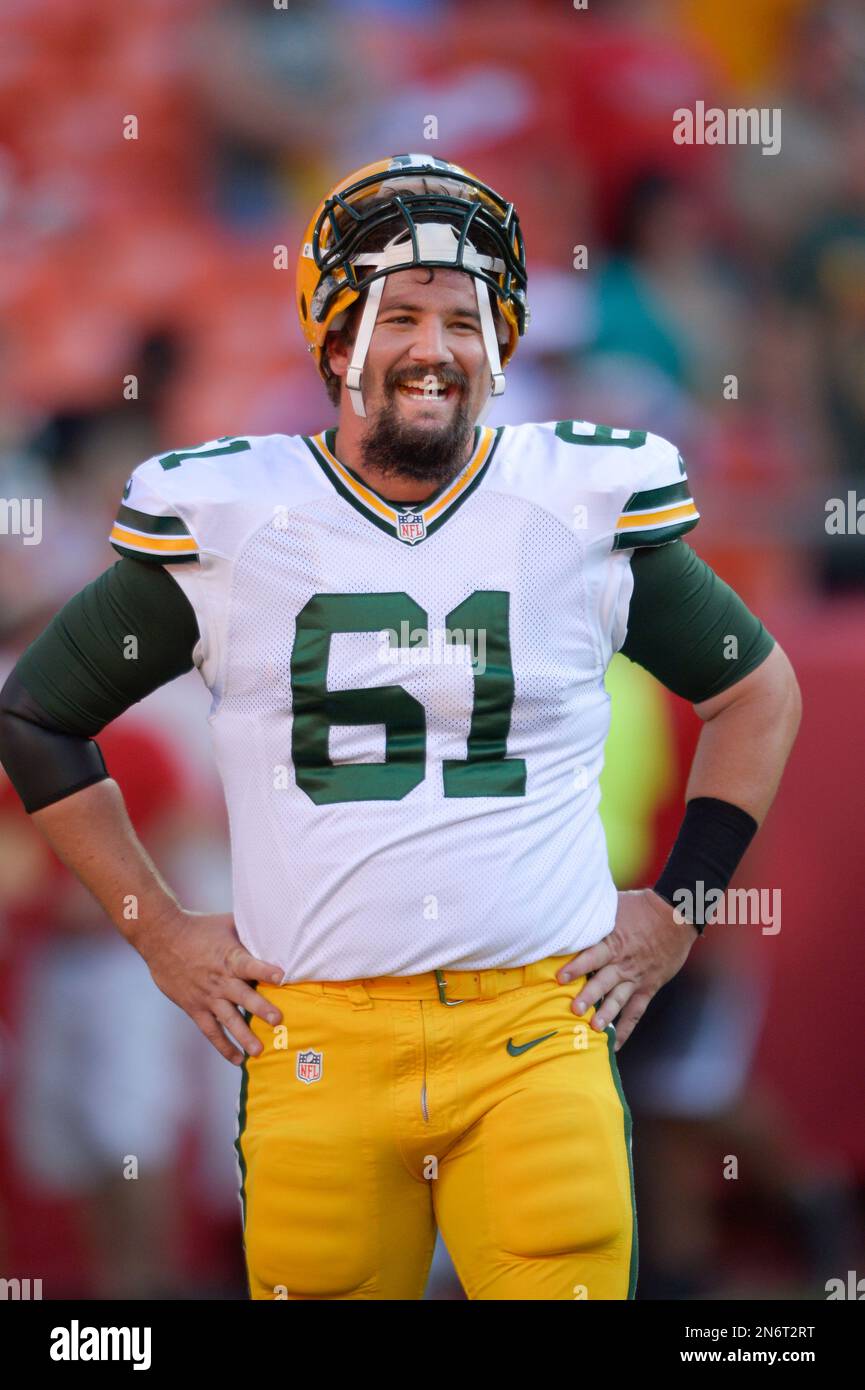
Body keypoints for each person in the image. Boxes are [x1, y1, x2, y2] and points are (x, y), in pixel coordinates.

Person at [0, 154, 801, 1301]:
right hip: (317, 1035)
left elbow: (756, 691)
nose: (437, 348)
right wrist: (161, 932)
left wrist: (681, 910)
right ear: (338, 341)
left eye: (466, 320)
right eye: (404, 315)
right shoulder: (236, 515)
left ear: (502, 344)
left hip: (534, 1025)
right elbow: (36, 716)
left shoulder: (576, 498)